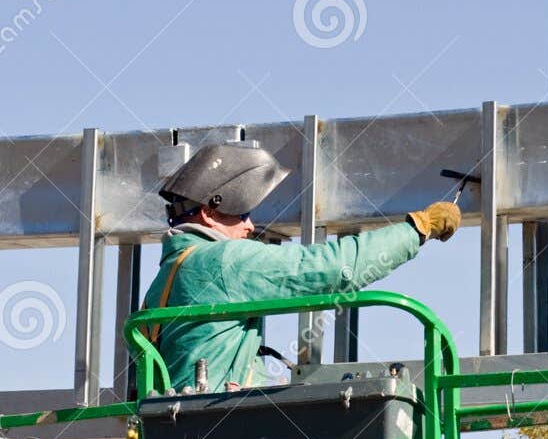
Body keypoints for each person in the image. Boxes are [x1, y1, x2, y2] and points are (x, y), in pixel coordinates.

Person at [144, 140, 461, 392]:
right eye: (242, 214)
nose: (250, 226)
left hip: (177, 436)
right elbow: (334, 268)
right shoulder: (223, 260)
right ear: (209, 213)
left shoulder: (163, 281)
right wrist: (418, 229)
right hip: (220, 430)